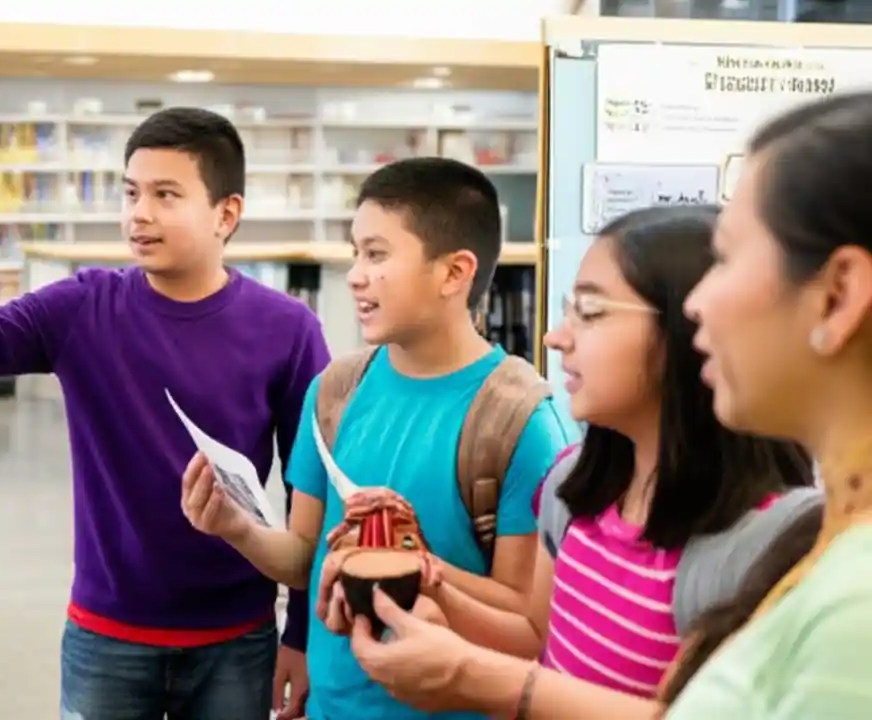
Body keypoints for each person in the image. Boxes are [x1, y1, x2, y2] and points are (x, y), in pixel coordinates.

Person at [344, 91, 872, 719]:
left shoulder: (812, 567)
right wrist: (431, 592)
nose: (701, 305)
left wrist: (477, 677)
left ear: (839, 294)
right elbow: (548, 639)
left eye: (729, 261)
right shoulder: (579, 485)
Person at [0, 107, 329, 720]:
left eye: (166, 195)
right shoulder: (83, 307)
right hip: (108, 633)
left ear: (226, 213)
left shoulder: (288, 330)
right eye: (131, 193)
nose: (139, 213)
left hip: (238, 637)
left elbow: (316, 493)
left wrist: (300, 635)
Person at [316, 205, 816, 700]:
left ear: (697, 329)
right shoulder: (571, 489)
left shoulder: (767, 551)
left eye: (591, 312)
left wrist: (469, 677)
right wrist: (424, 583)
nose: (557, 338)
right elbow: (538, 638)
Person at [181, 157, 570, 719]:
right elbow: (306, 557)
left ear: (455, 273)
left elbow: (528, 627)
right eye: (356, 253)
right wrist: (234, 526)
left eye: (378, 254)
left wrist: (411, 568)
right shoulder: (335, 390)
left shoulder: (521, 422)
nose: (356, 274)